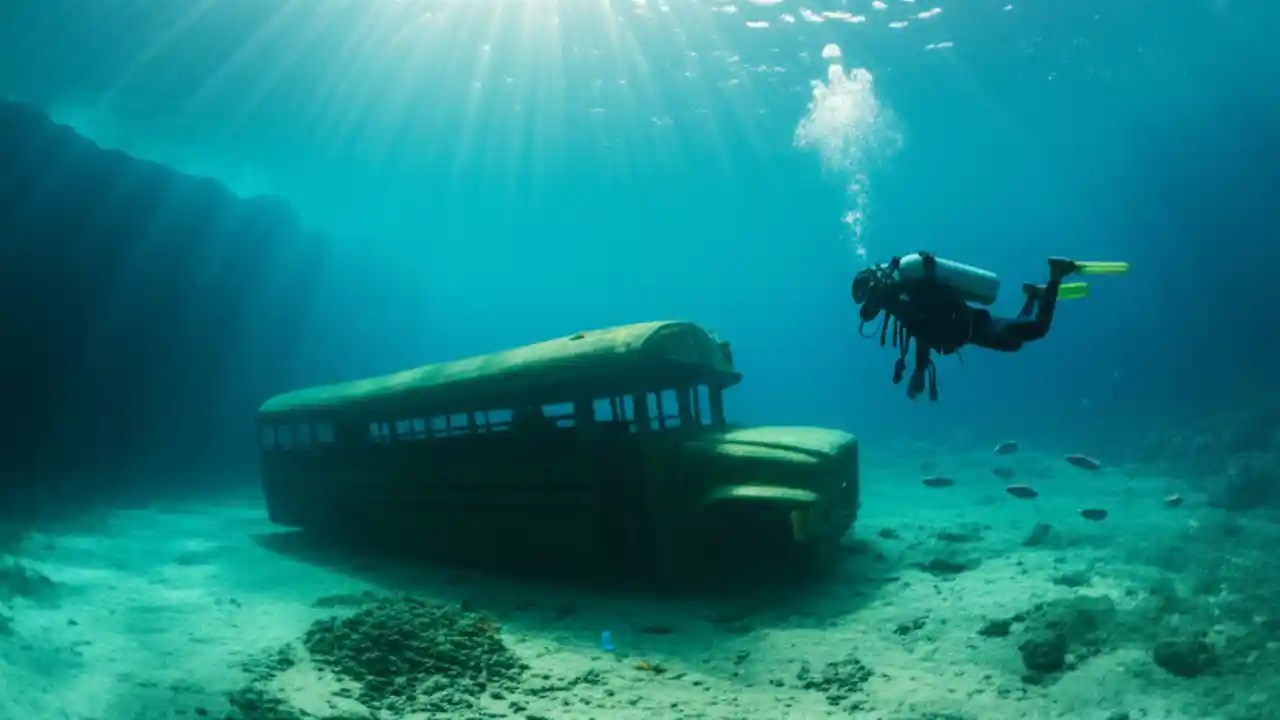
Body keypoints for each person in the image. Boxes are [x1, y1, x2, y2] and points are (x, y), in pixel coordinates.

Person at [851, 253, 1125, 400]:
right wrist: (920, 370)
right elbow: (922, 329)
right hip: (972, 328)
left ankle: (1056, 275)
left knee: (1038, 330)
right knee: (1016, 340)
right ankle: (1034, 295)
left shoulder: (903, 302)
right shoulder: (902, 300)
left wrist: (920, 371)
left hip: (974, 327)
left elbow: (922, 330)